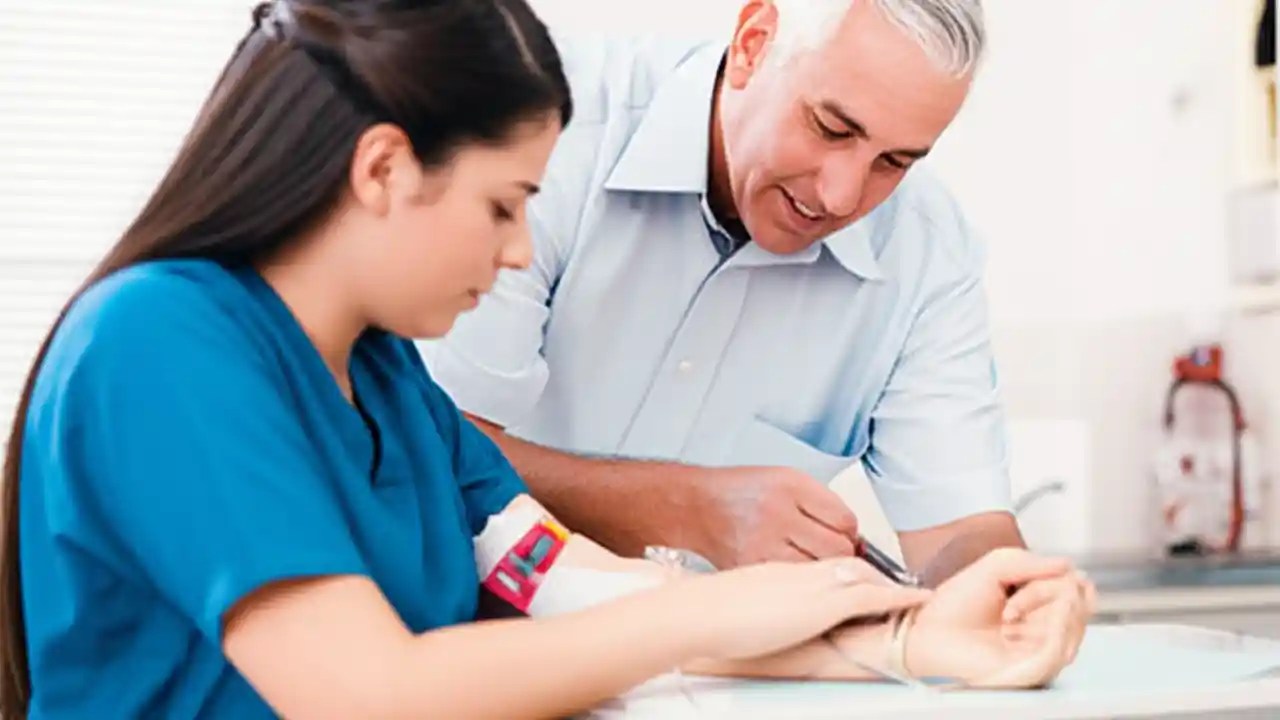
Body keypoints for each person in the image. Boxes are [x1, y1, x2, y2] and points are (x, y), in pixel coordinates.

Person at [0, 1, 1091, 718]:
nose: (523, 248)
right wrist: (700, 607)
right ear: (384, 169)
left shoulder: (393, 388)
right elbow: (363, 690)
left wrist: (908, 638)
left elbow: (566, 592)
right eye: (503, 205)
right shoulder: (161, 342)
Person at [422, 0, 1070, 587]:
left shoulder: (928, 254)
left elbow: (959, 533)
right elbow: (428, 446)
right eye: (831, 128)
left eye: (894, 162)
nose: (843, 195)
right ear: (754, 42)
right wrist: (692, 510)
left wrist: (1009, 598)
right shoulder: (547, 136)